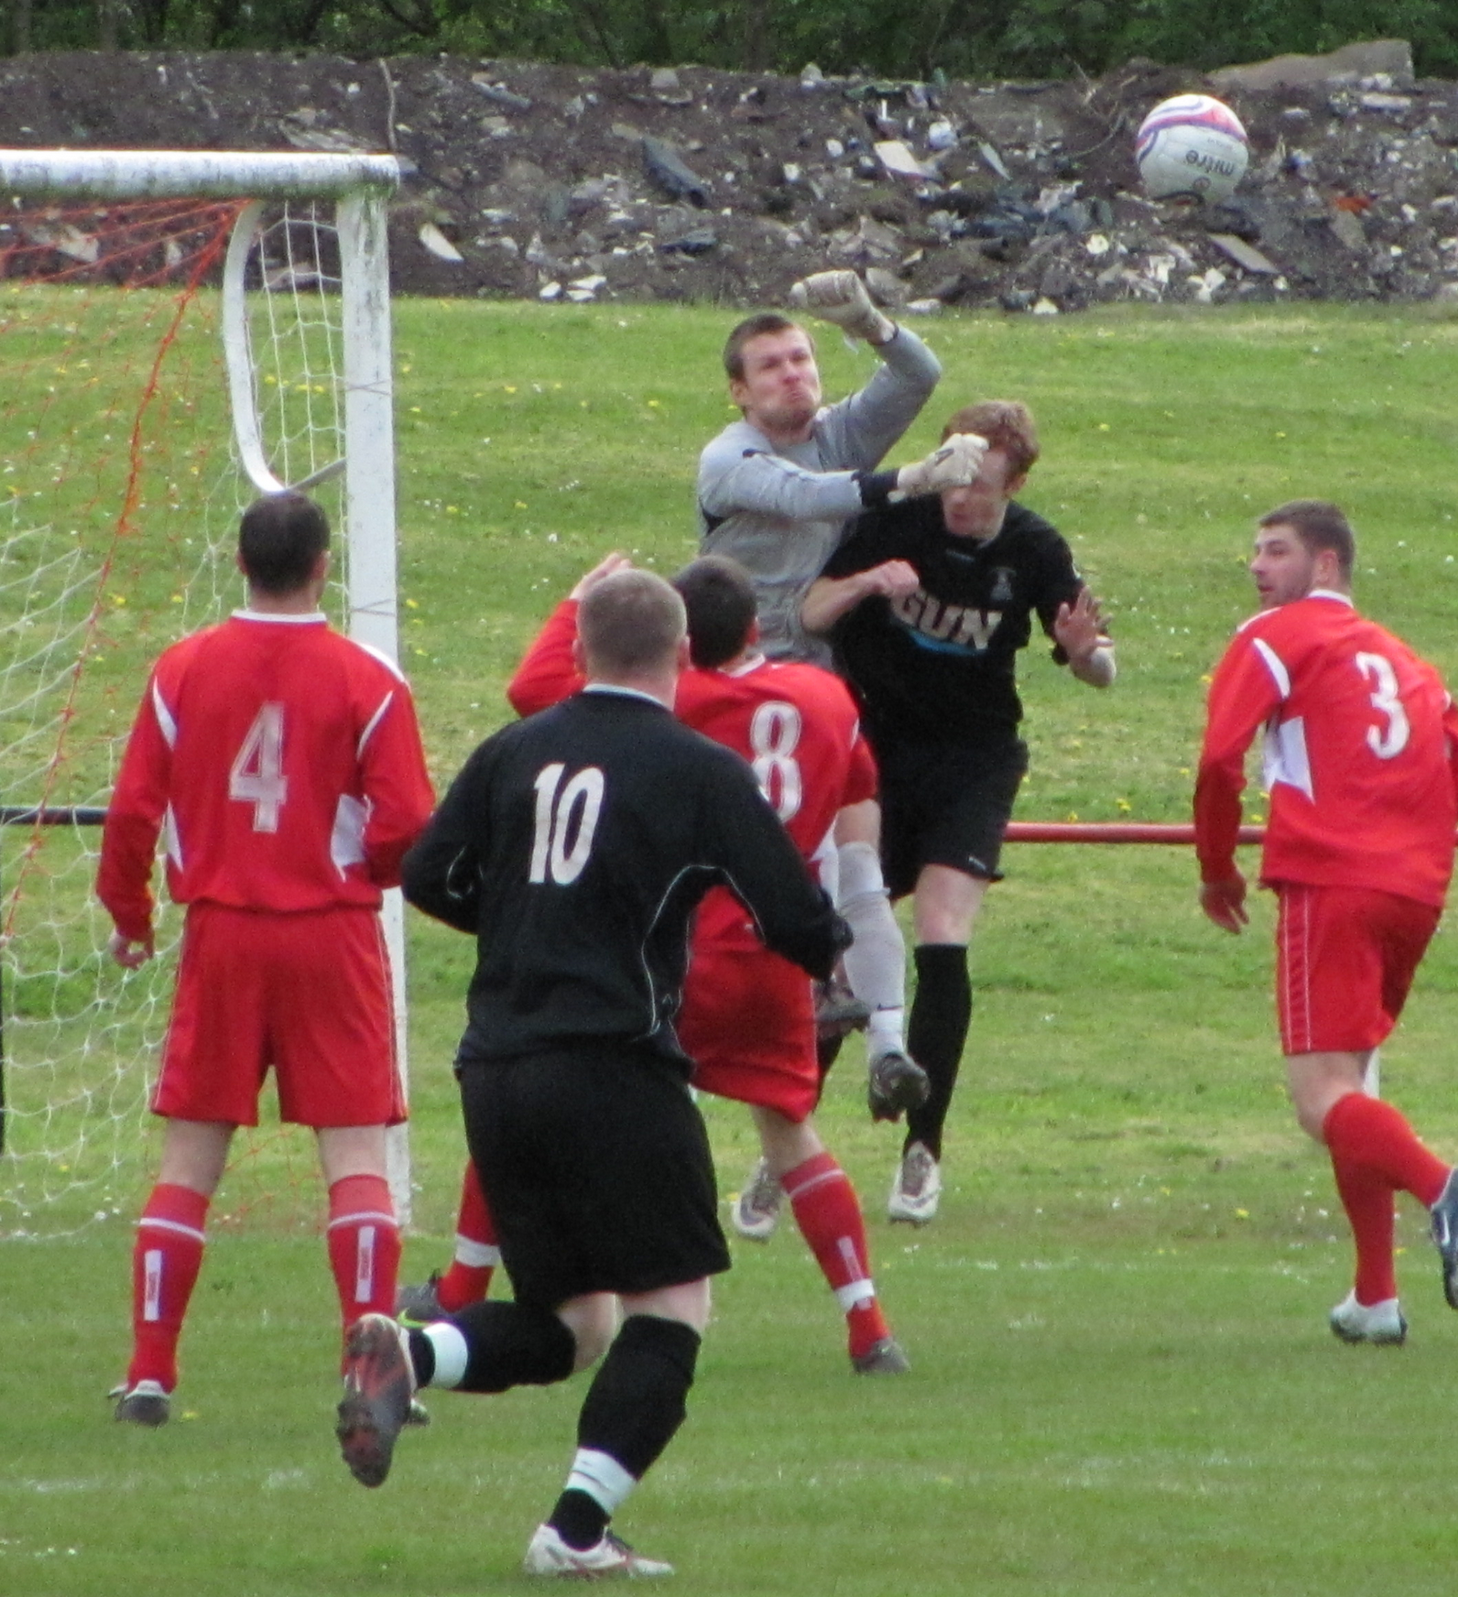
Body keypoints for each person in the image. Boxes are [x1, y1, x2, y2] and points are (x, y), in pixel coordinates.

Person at [338, 568, 849, 1579]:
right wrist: (844, 963)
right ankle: (573, 1531)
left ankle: (413, 1353)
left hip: (497, 1066)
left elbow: (430, 869)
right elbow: (789, 911)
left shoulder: (514, 749)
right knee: (672, 1309)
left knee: (572, 1325)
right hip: (612, 1064)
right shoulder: (696, 767)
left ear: (578, 654)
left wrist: (530, 923)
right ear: (683, 658)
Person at [402, 553, 910, 1375]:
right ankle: (867, 1321)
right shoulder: (827, 696)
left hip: (653, 950)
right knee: (790, 1134)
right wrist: (843, 962)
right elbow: (858, 798)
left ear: (680, 650)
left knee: (545, 1092)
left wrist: (577, 605)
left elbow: (538, 694)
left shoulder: (662, 705)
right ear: (753, 628)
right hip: (769, 954)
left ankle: (463, 1284)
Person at [94, 491, 434, 1426]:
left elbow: (131, 811)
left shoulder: (182, 669)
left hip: (222, 933)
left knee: (191, 1153)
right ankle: (368, 1374)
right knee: (356, 1150)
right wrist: (369, 869)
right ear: (324, 564)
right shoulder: (368, 678)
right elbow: (408, 826)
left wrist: (130, 912)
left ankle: (152, 1371)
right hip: (330, 932)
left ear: (240, 562)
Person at [700, 269, 980, 1195]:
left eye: (803, 357)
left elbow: (917, 375)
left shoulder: (834, 432)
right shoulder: (729, 459)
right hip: (728, 683)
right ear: (739, 390)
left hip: (815, 684)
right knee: (767, 867)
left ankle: (888, 1047)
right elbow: (814, 500)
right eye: (771, 365)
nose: (794, 374)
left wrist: (869, 320)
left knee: (856, 857)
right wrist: (913, 478)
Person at [801, 400, 1116, 1224]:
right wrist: (870, 579)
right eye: (954, 477)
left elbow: (1098, 664)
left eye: (982, 485)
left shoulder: (1034, 547)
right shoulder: (899, 518)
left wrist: (1087, 655)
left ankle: (921, 1149)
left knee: (944, 927)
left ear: (1015, 483)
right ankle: (789, 1137)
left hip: (974, 759)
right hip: (875, 750)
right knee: (842, 936)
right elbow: (809, 612)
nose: (962, 499)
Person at [1193, 499, 1458, 1346]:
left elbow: (1221, 757)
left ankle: (1445, 1188)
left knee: (1318, 1094)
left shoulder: (1275, 637)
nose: (1257, 567)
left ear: (1326, 565)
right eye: (1253, 551)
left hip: (1332, 876)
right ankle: (1375, 1296)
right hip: (1417, 887)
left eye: (1276, 551)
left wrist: (1216, 865)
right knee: (1355, 1084)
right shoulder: (1409, 660)